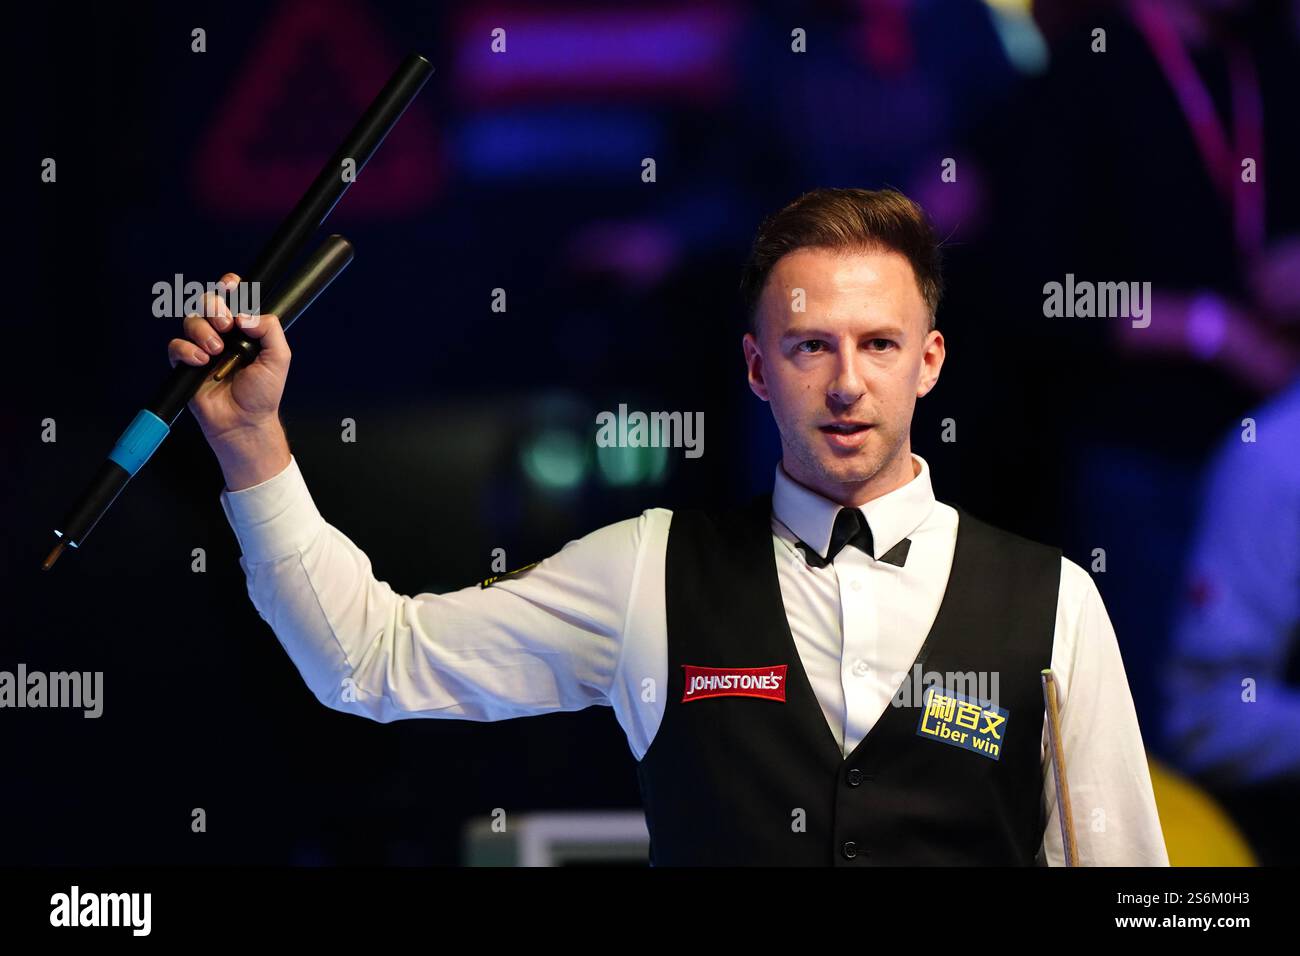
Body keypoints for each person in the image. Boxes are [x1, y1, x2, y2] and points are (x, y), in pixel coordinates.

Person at [169, 187, 1167, 866]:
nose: (848, 380)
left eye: (879, 343)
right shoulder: (646, 569)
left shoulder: (1052, 600)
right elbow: (370, 660)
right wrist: (253, 442)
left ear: (931, 360)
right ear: (755, 368)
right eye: (810, 345)